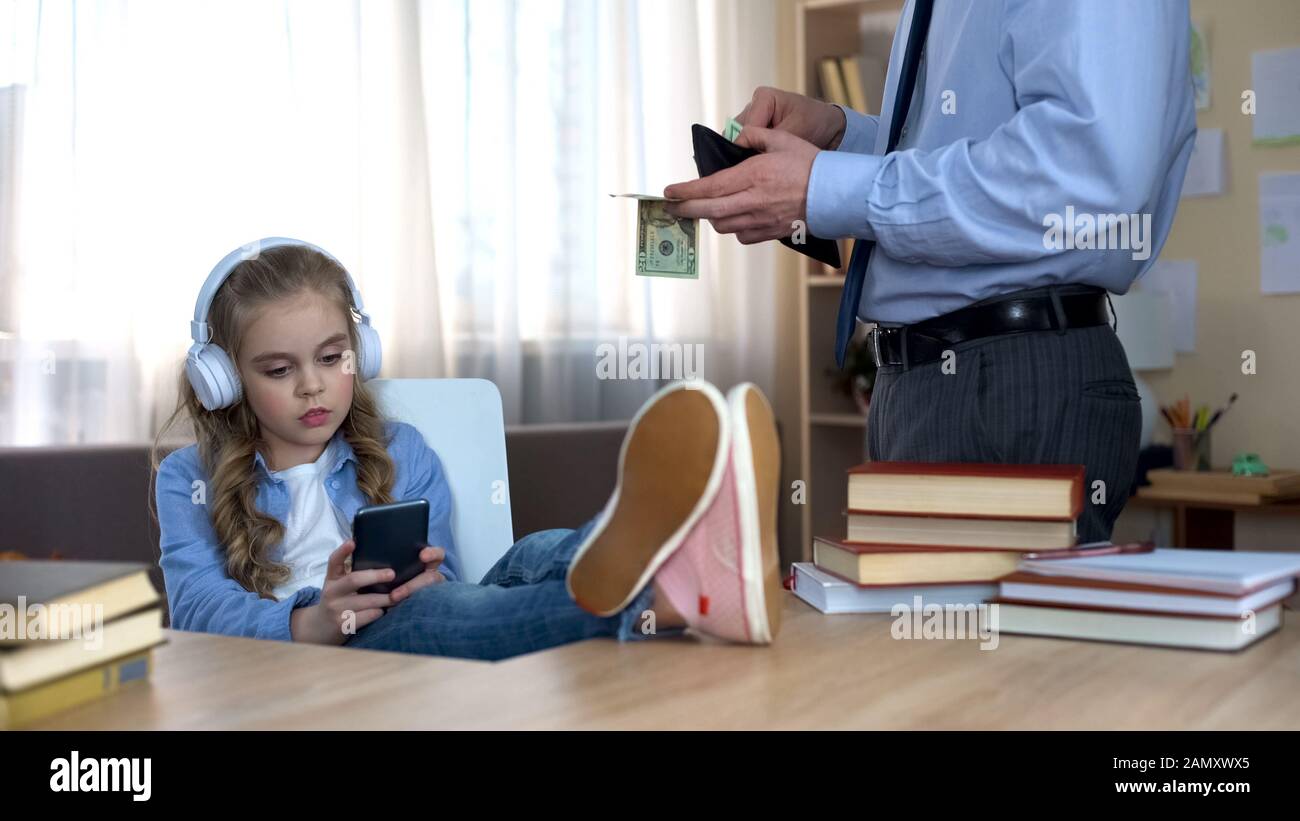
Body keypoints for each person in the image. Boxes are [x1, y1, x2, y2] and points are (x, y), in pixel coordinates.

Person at [663, 0, 1197, 542]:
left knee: (999, 627)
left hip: (1008, 380)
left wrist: (828, 187)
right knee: (921, 626)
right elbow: (972, 151)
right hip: (935, 381)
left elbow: (1085, 175)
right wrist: (843, 138)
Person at [152, 239, 783, 661]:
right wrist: (314, 619)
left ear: (360, 352)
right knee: (437, 614)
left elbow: (446, 576)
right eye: (278, 369)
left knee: (531, 552)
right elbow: (197, 609)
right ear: (226, 378)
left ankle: (691, 535)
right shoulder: (188, 477)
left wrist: (425, 577)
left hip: (414, 614)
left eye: (330, 357)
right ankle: (676, 591)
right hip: (334, 654)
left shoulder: (400, 447)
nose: (313, 384)